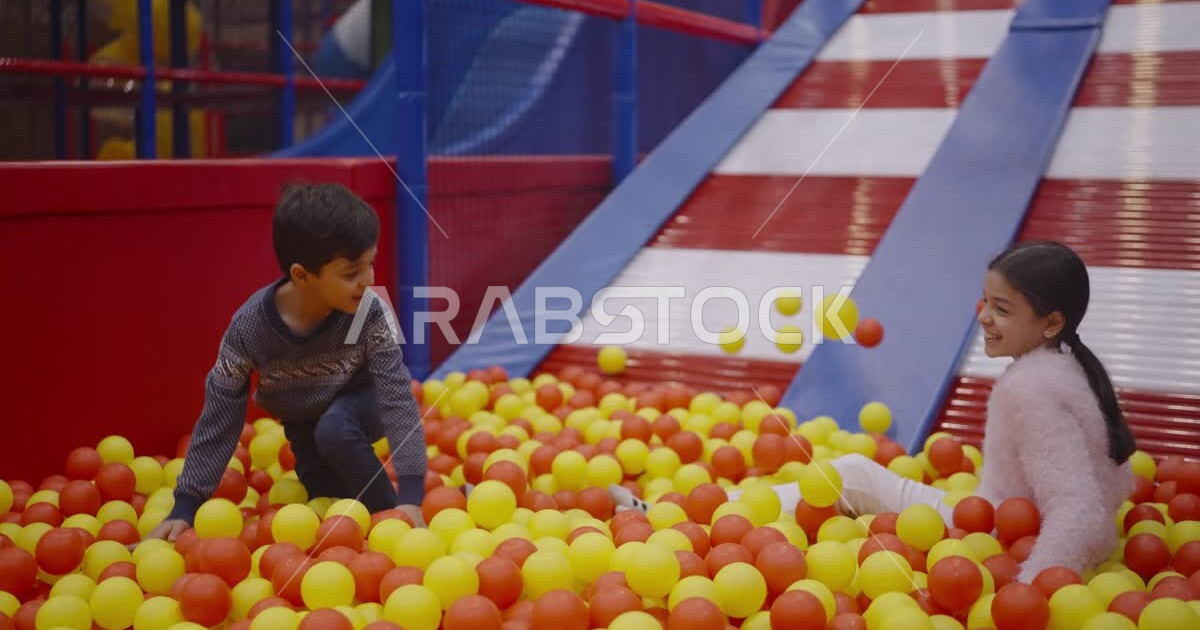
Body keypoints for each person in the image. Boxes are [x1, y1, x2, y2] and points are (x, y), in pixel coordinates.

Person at [612, 240, 1136, 583]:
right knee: (853, 474)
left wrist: (1033, 584)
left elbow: (1079, 508)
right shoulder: (1069, 366)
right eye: (985, 302)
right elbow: (1111, 479)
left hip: (994, 540)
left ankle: (674, 517)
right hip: (996, 520)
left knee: (850, 474)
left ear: (1050, 323)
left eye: (1002, 309)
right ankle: (699, 509)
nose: (984, 318)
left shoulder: (1031, 388)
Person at [144, 183, 428, 543]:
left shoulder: (369, 312)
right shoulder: (250, 329)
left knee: (336, 429)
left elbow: (396, 397)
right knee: (327, 503)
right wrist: (186, 505)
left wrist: (411, 496)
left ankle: (395, 523)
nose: (369, 280)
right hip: (303, 421)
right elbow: (220, 414)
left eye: (370, 264)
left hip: (364, 400)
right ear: (302, 275)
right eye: (351, 273)